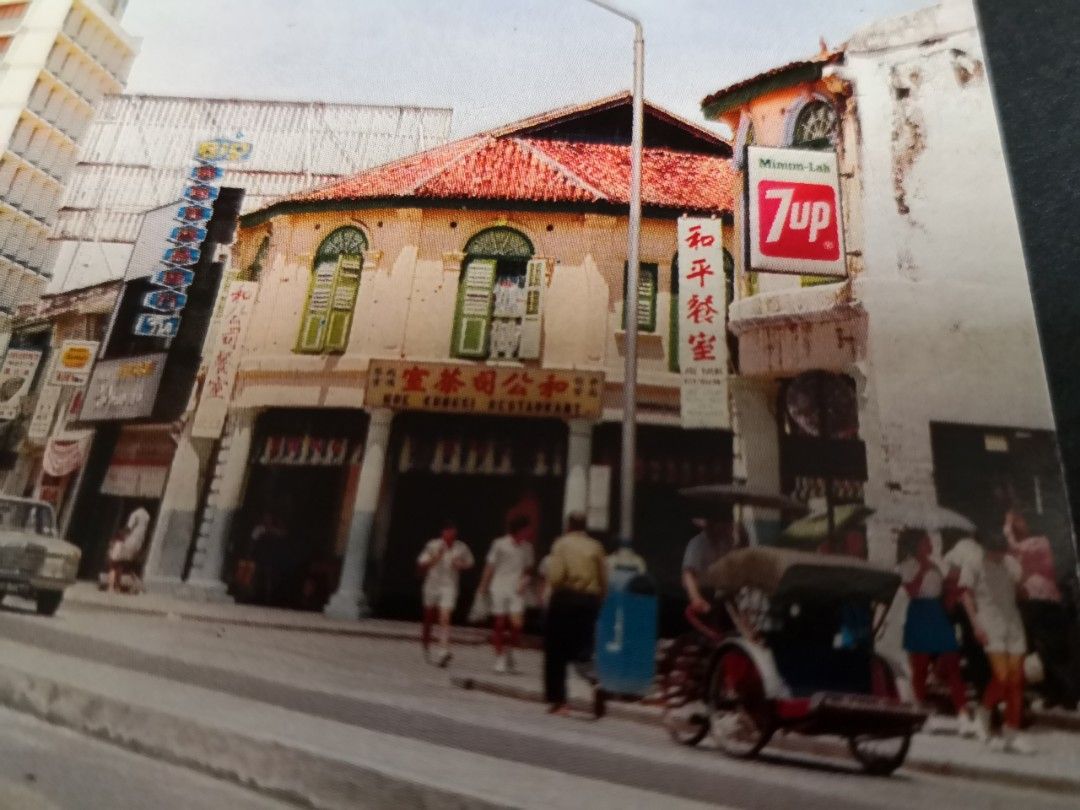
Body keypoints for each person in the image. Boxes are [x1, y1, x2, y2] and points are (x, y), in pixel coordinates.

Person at [896, 528, 976, 735]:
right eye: (926, 541)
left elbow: (945, 587)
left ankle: (963, 715)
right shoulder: (906, 565)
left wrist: (952, 589)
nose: (930, 544)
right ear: (916, 545)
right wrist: (923, 569)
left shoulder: (938, 563)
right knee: (920, 667)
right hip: (919, 612)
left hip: (937, 612)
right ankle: (920, 714)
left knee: (952, 662)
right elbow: (912, 591)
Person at [959, 531, 1034, 753]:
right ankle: (982, 715)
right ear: (985, 549)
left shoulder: (1010, 563)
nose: (999, 555)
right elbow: (965, 595)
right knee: (1001, 677)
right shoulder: (973, 563)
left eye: (1002, 551)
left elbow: (1020, 591)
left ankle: (1012, 733)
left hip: (1012, 623)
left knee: (1016, 680)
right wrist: (976, 625)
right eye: (995, 551)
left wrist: (1023, 587)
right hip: (989, 623)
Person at [1005, 509, 1077, 709]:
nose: (1014, 526)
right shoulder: (1020, 548)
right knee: (1040, 651)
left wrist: (1008, 530)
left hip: (1044, 601)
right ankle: (1052, 692)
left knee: (1054, 650)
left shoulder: (1039, 543)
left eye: (1018, 521)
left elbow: (1015, 549)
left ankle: (1068, 695)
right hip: (1029, 603)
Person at [543, 512, 606, 715]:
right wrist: (598, 601)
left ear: (568, 526)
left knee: (556, 651)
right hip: (589, 600)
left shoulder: (561, 544)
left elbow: (556, 577)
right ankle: (595, 679)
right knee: (584, 648)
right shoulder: (596, 546)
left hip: (565, 598)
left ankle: (560, 702)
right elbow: (604, 579)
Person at [477, 515, 534, 674]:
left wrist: (525, 581)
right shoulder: (499, 544)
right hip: (499, 587)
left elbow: (528, 569)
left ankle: (509, 651)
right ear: (520, 529)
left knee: (517, 624)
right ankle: (499, 658)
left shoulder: (528, 548)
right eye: (527, 529)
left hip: (517, 590)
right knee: (500, 624)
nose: (529, 532)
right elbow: (490, 566)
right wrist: (483, 586)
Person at [417, 518, 474, 667]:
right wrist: (437, 556)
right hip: (432, 585)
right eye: (448, 532)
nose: (451, 535)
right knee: (429, 617)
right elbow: (423, 563)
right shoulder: (433, 545)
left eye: (453, 532)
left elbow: (470, 563)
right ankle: (426, 644)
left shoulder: (461, 547)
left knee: (445, 616)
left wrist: (460, 564)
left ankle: (443, 650)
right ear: (443, 532)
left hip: (449, 586)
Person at [682, 508, 741, 616]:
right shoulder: (697, 544)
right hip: (703, 591)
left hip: (724, 591)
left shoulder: (728, 542)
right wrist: (696, 598)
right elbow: (688, 574)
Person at [105, 505, 151, 593]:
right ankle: (118, 587)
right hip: (137, 544)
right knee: (121, 565)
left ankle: (111, 587)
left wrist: (117, 537)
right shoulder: (147, 516)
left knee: (113, 565)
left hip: (127, 543)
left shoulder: (135, 514)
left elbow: (128, 528)